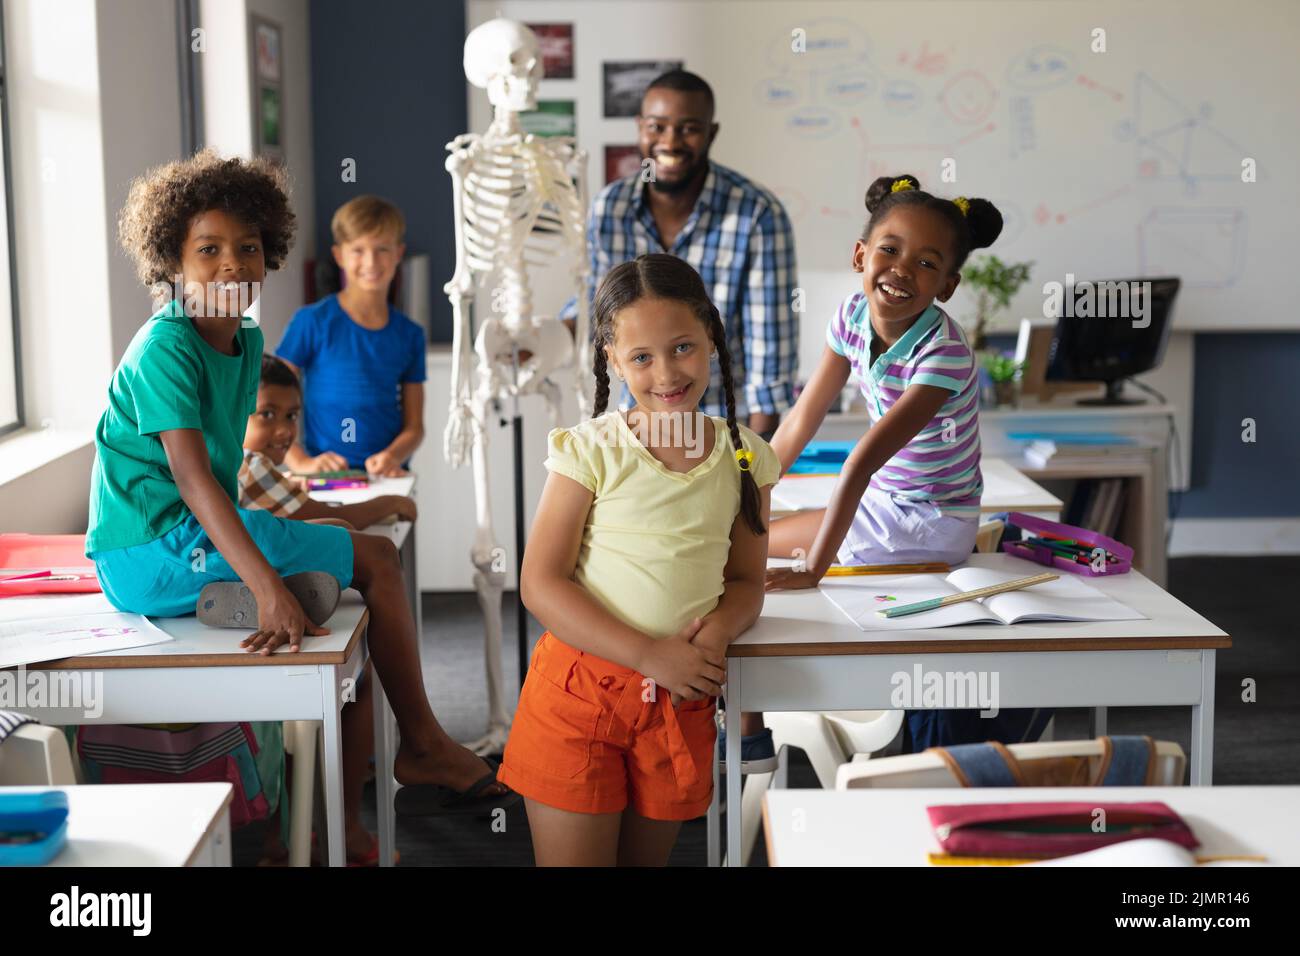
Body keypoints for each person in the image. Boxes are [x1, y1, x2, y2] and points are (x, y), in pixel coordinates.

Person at [87, 151, 515, 835]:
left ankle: (256, 612)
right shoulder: (165, 348)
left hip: (184, 542)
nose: (233, 264)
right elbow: (196, 480)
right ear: (172, 258)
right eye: (209, 250)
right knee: (376, 560)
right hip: (150, 551)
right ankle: (425, 745)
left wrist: (279, 540)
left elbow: (230, 476)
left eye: (249, 247)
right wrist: (265, 583)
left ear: (271, 251)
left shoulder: (247, 341)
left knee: (353, 580)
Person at [500, 254, 780, 865]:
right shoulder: (589, 450)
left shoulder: (747, 458)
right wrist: (649, 653)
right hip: (576, 700)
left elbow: (745, 581)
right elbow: (539, 584)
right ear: (612, 360)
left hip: (679, 705)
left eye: (682, 347)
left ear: (711, 335)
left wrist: (718, 636)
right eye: (641, 358)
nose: (666, 373)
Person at [765, 174, 1049, 750]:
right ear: (860, 255)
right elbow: (801, 419)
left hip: (927, 519)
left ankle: (757, 727)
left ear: (947, 285)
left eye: (925, 263)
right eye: (889, 250)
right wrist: (745, 491)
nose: (900, 269)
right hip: (882, 500)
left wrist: (814, 568)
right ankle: (752, 723)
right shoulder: (849, 315)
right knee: (741, 534)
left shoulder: (942, 353)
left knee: (747, 548)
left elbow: (860, 465)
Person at [561, 70, 798, 439]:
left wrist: (751, 460)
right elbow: (595, 304)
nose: (669, 141)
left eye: (688, 128)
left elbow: (770, 349)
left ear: (711, 133)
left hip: (723, 427)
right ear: (640, 127)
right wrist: (543, 335)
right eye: (657, 126)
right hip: (640, 425)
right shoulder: (610, 208)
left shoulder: (756, 213)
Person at [277, 195, 426, 476]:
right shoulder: (311, 322)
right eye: (358, 250)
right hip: (323, 478)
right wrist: (300, 462)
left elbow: (415, 427)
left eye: (382, 249)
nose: (371, 261)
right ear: (339, 256)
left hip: (387, 478)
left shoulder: (410, 335)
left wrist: (392, 456)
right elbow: (263, 399)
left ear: (398, 253)